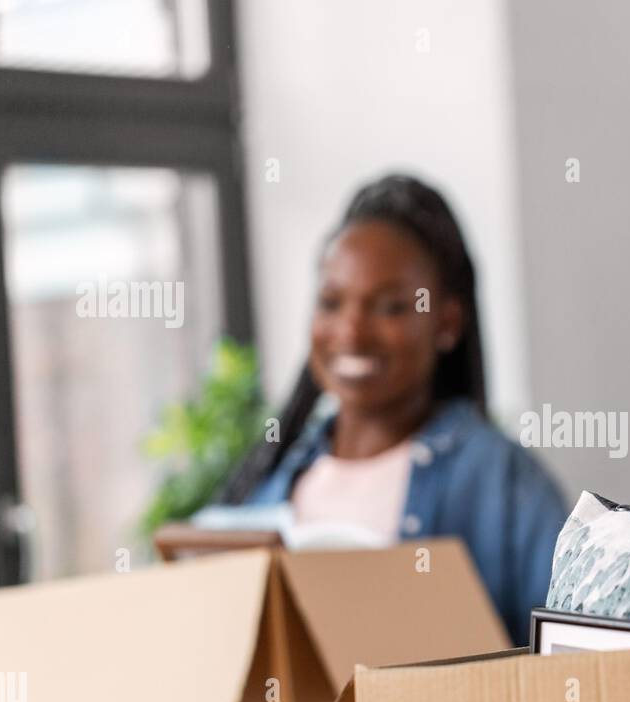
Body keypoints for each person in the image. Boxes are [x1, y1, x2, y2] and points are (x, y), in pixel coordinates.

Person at [220, 174, 568, 647]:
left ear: (446, 323)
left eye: (389, 307)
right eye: (331, 302)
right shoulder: (269, 483)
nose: (352, 333)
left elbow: (571, 666)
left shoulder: (500, 481)